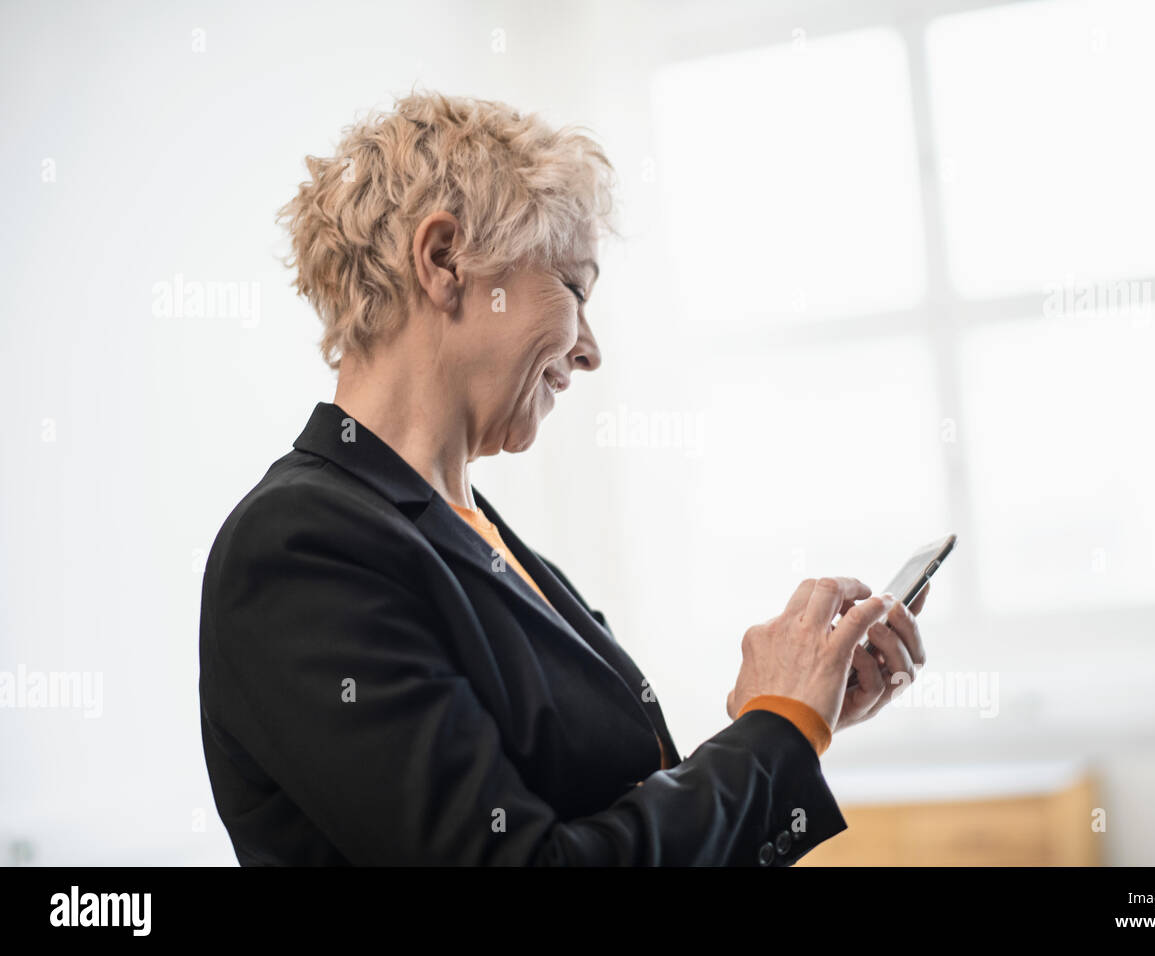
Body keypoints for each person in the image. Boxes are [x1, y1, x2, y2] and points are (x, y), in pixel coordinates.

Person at [198, 91, 930, 865]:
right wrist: (777, 730)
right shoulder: (300, 547)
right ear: (444, 260)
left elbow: (603, 831)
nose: (589, 351)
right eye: (575, 289)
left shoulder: (477, 538)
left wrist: (794, 720)